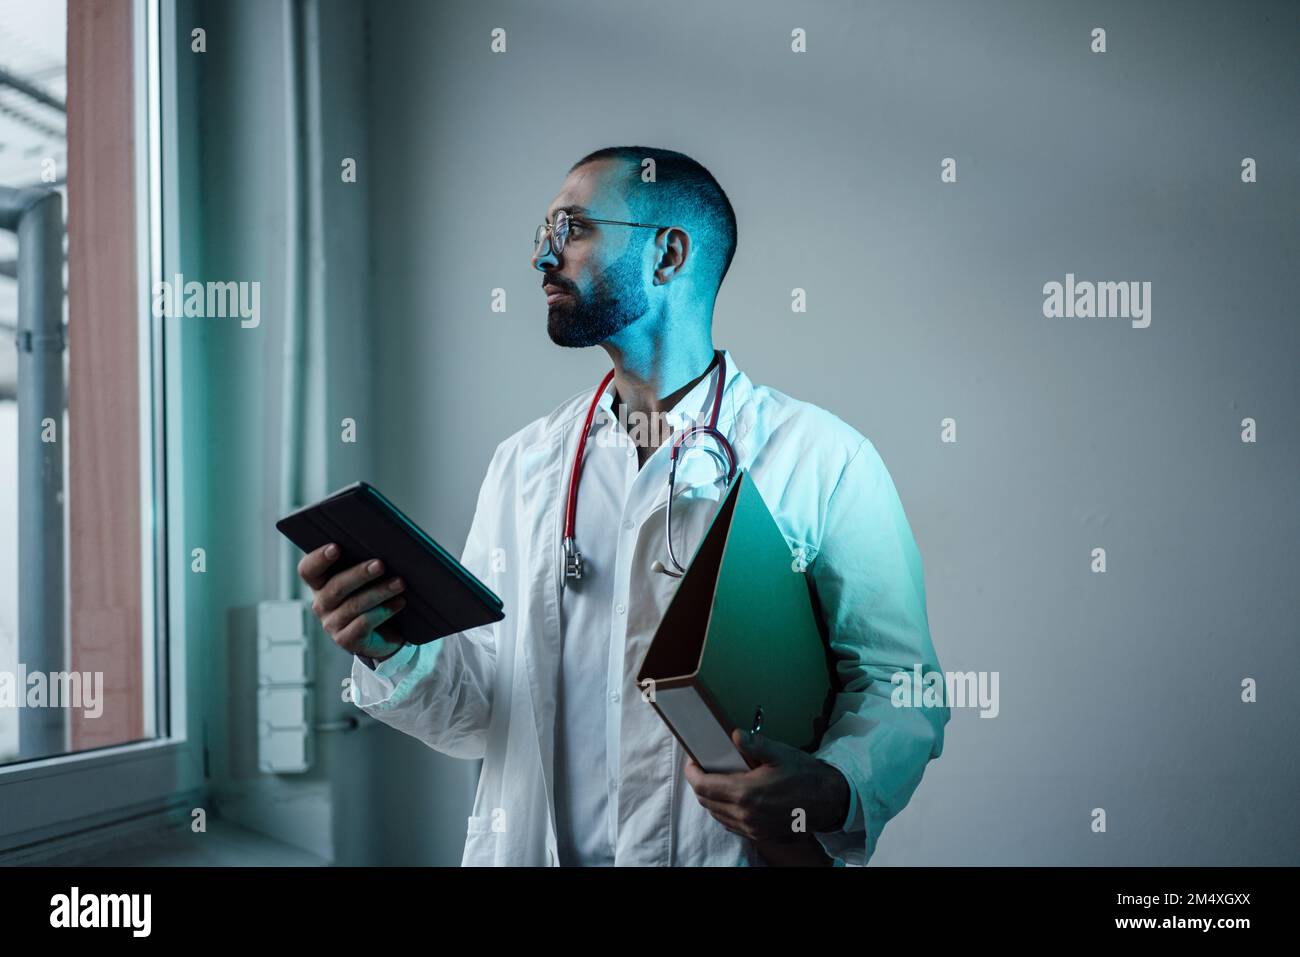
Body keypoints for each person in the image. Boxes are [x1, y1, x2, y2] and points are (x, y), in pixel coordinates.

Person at [297, 146, 948, 866]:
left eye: (570, 229)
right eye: (544, 233)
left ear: (667, 255)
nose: (543, 259)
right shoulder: (525, 463)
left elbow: (899, 685)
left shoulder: (824, 459)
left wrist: (832, 787)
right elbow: (484, 707)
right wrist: (394, 648)